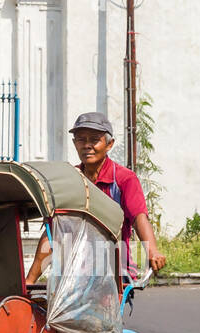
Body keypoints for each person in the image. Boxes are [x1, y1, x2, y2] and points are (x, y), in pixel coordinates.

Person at [26, 112, 166, 284]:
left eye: (94, 140)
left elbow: (139, 218)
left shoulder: (124, 179)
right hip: (73, 273)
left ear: (109, 144)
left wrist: (152, 250)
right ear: (74, 143)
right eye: (81, 140)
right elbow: (54, 231)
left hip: (113, 274)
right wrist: (29, 281)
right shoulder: (69, 180)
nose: (87, 145)